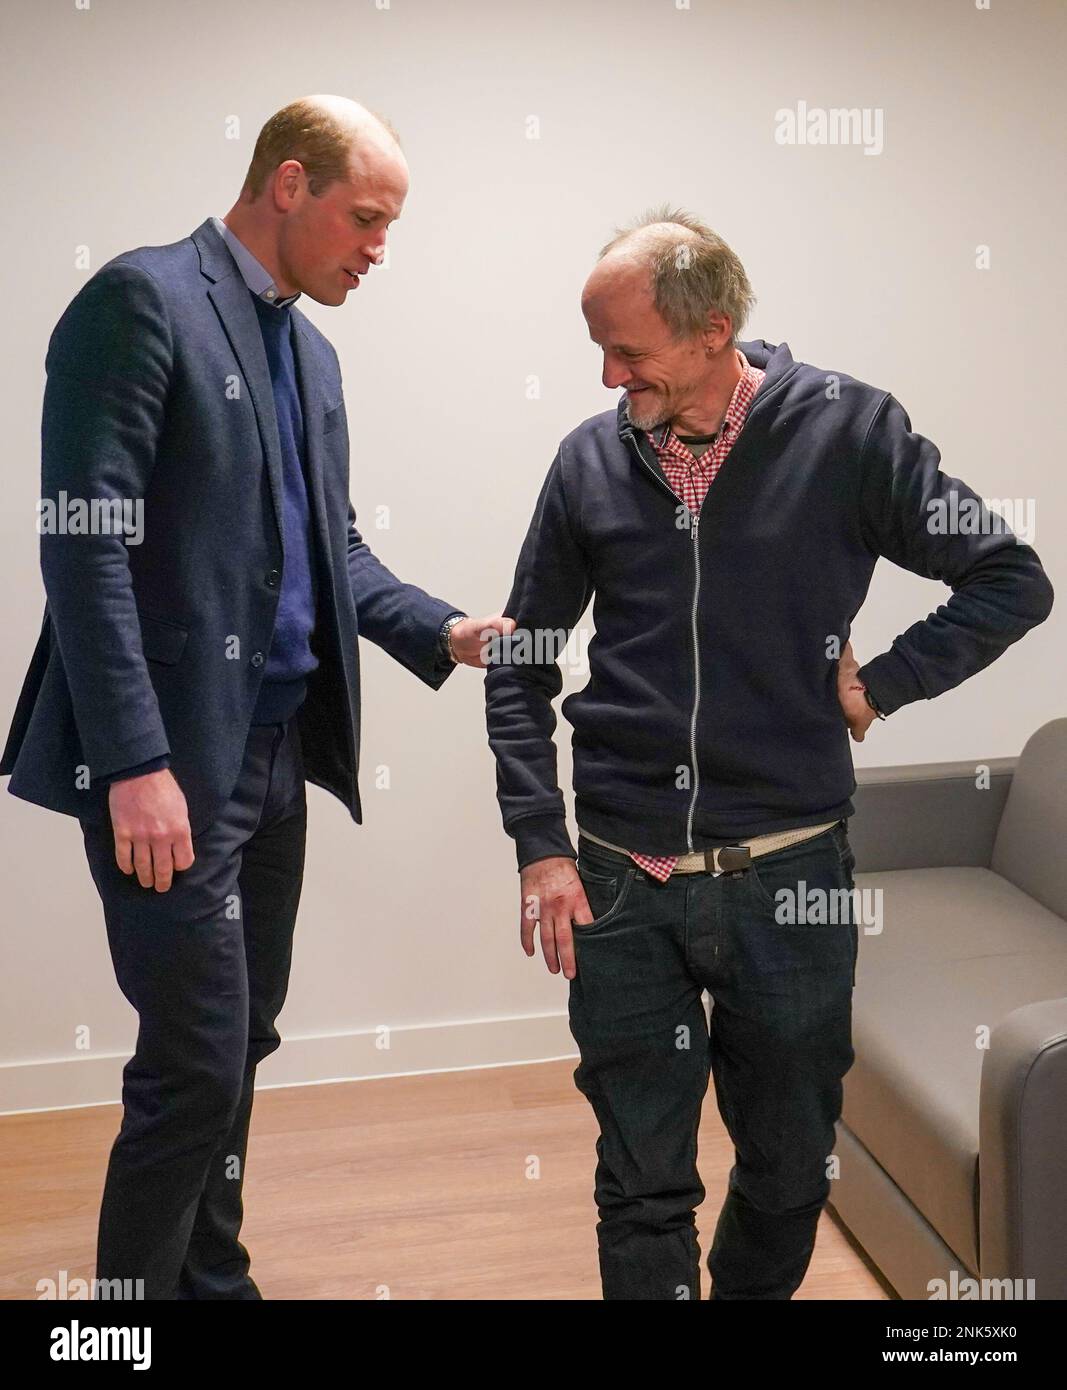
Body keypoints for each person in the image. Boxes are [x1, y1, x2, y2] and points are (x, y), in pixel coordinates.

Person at [483, 206, 1054, 1300]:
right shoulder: (588, 460)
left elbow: (1008, 578)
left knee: (791, 1170)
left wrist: (885, 681)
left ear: (714, 330)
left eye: (628, 350)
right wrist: (538, 844)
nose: (607, 376)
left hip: (788, 877)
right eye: (597, 349)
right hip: (620, 879)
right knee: (640, 1182)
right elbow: (521, 661)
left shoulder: (846, 431)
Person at [1, 94, 511, 1300]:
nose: (377, 249)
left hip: (275, 752)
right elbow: (84, 543)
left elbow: (333, 548)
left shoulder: (310, 353)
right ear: (289, 183)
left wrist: (443, 628)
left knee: (240, 1041)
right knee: (194, 1061)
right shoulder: (142, 301)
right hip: (169, 764)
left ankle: (211, 1282)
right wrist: (134, 762)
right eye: (366, 218)